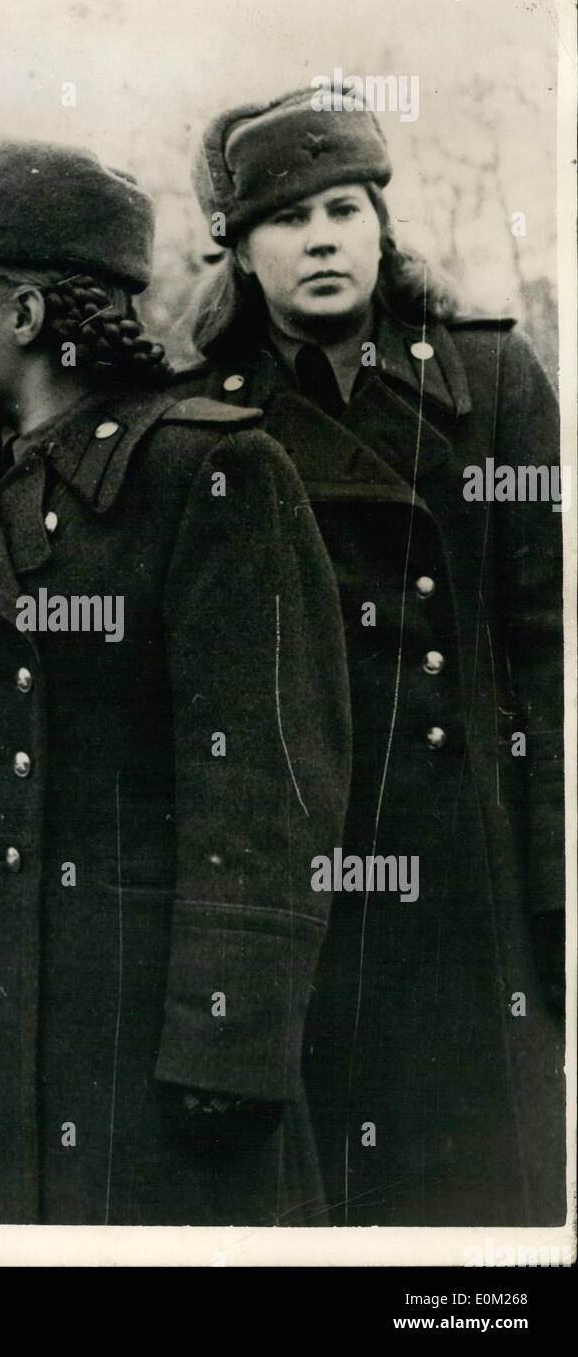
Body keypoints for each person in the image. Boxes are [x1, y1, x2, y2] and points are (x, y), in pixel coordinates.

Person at [0, 137, 352, 1227]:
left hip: (128, 1029)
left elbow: (267, 780)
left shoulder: (207, 470)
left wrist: (229, 1033)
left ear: (26, 317)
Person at [174, 84, 565, 1225]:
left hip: (464, 856)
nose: (322, 238)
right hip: (298, 852)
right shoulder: (199, 408)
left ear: (380, 225)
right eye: (287, 220)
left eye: (344, 207)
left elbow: (543, 645)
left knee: (476, 1179)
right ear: (239, 254)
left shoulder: (488, 380)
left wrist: (554, 879)